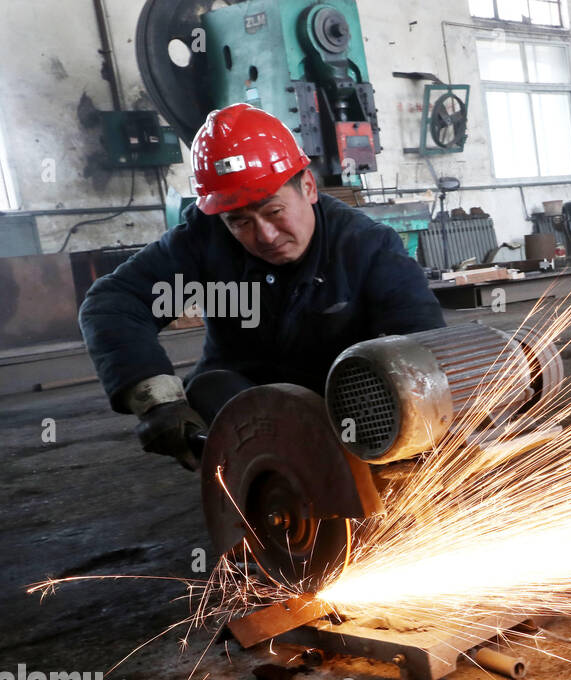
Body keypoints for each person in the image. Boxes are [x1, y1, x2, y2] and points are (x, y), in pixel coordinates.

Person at [79, 103, 445, 470]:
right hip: (242, 397)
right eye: (240, 222)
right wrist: (156, 399)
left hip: (346, 403)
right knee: (213, 390)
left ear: (308, 187)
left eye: (274, 212)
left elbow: (422, 343)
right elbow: (114, 302)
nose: (265, 236)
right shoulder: (204, 239)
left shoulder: (366, 246)